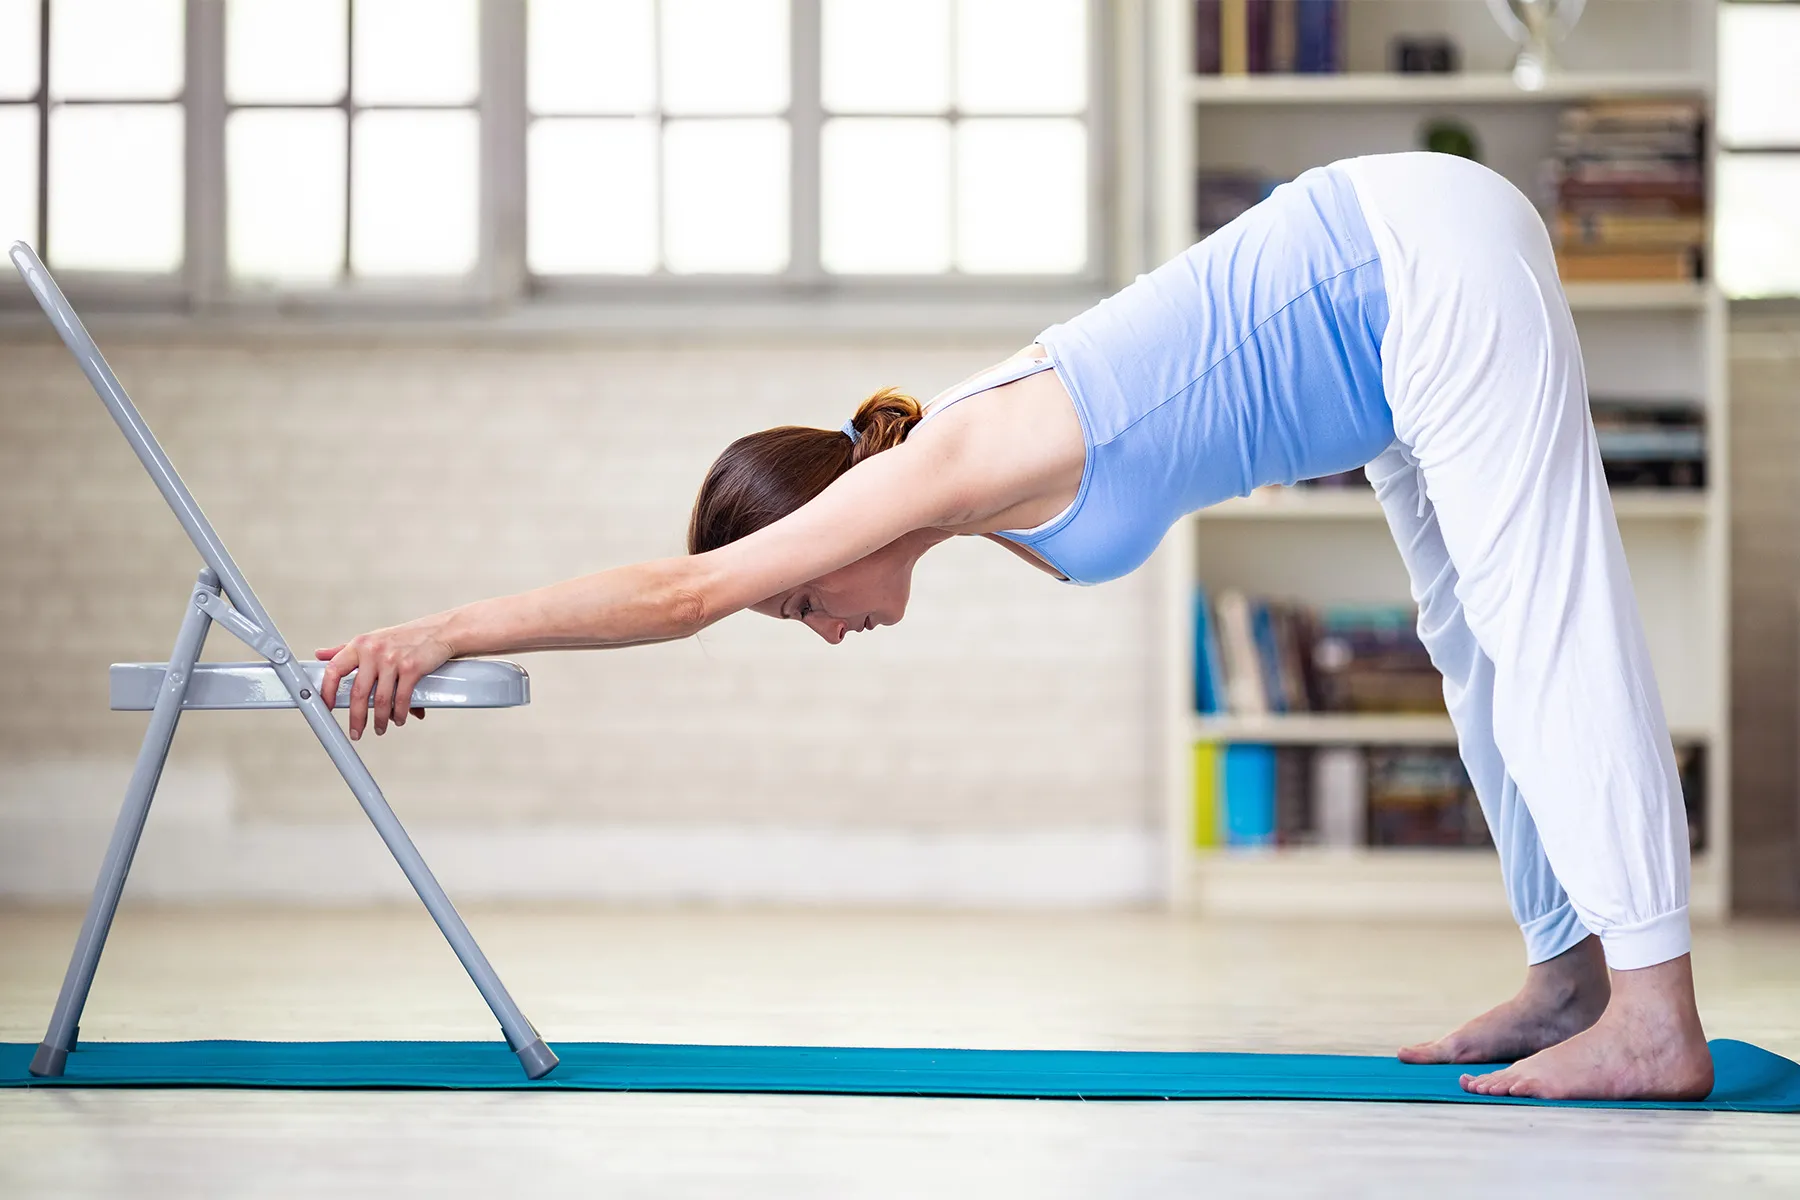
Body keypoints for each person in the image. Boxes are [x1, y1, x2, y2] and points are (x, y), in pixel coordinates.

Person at [316, 151, 1712, 1102]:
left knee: (1542, 622)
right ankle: (1566, 981)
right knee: (1475, 652)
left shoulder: (940, 462)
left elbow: (680, 599)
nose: (821, 630)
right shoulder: (961, 489)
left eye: (800, 600)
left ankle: (1654, 1021)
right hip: (1387, 342)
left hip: (1408, 261)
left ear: (831, 526)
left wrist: (444, 630)